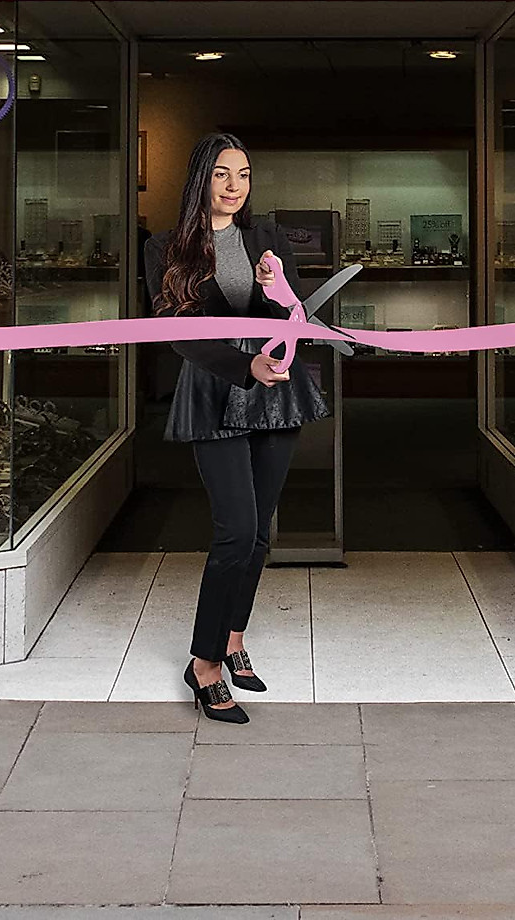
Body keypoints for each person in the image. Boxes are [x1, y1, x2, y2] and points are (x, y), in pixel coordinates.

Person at [143, 132, 329, 724]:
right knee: (235, 529)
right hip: (213, 387)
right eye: (223, 174)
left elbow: (296, 320)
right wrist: (241, 362)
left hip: (275, 389)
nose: (235, 187)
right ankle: (203, 665)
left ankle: (232, 638)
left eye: (244, 175)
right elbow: (174, 331)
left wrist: (282, 295)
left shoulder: (267, 238)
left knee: (258, 534)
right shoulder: (165, 247)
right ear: (201, 178)